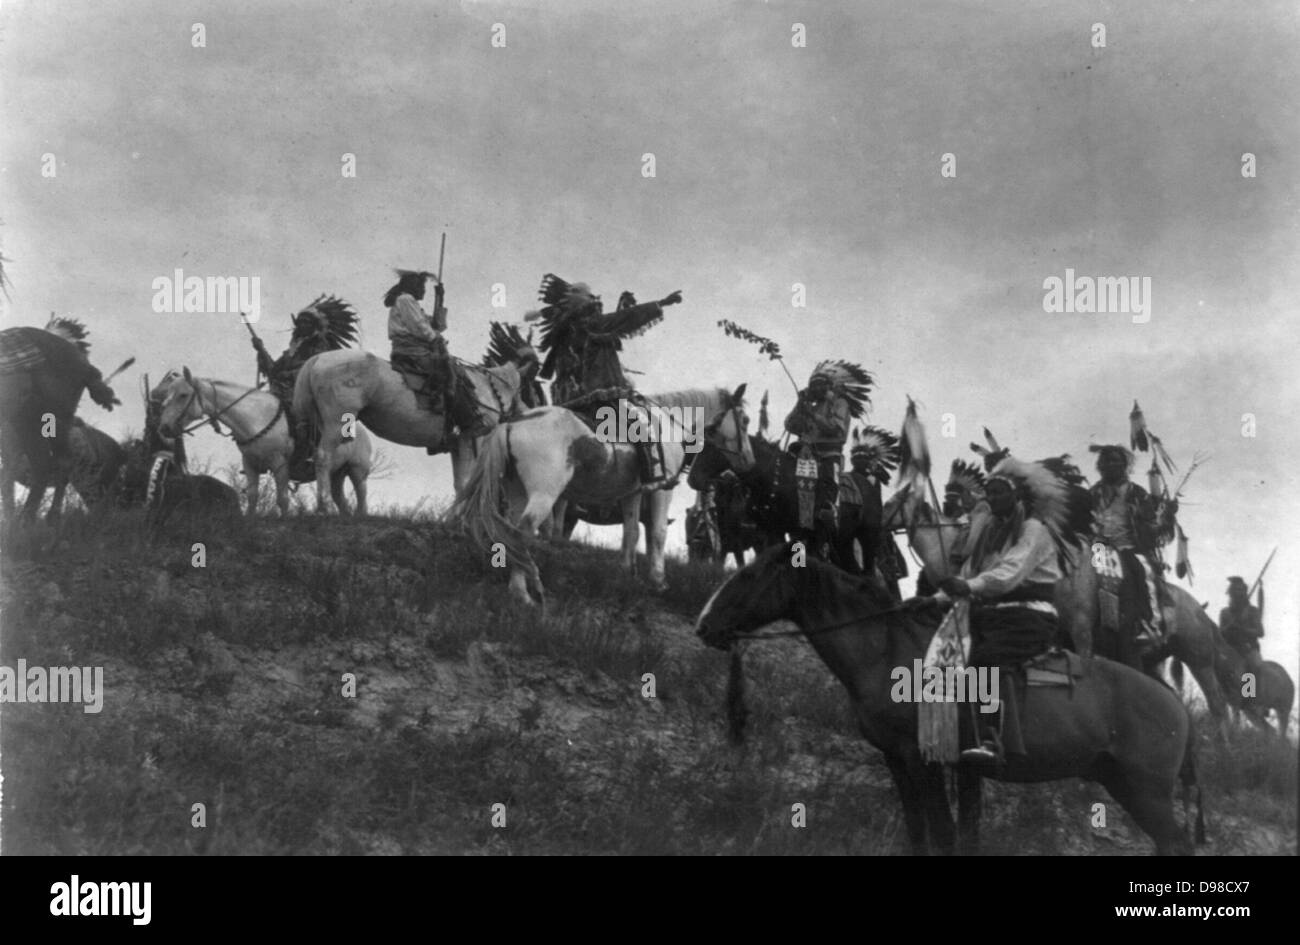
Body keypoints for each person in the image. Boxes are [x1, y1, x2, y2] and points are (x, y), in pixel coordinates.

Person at [926, 467, 1067, 765]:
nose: (992, 498)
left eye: (999, 492)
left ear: (1018, 496)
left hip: (1029, 616)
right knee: (942, 653)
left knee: (988, 660)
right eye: (989, 493)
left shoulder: (1033, 530)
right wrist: (932, 600)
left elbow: (1008, 574)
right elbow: (969, 573)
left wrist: (968, 586)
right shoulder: (989, 531)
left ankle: (995, 740)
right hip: (991, 613)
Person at [527, 274, 683, 484]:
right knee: (640, 429)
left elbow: (626, 315)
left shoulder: (563, 329)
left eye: (574, 292)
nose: (568, 296)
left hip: (566, 399)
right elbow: (629, 316)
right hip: (596, 396)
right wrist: (662, 303)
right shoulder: (594, 323)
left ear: (587, 298)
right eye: (569, 292)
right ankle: (652, 477)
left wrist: (539, 313)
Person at [253, 298, 358, 476]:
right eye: (300, 322)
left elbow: (314, 368)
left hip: (307, 390)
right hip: (284, 390)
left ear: (314, 325)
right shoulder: (292, 350)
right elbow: (274, 370)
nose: (301, 325)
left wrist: (289, 375)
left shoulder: (321, 345)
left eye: (306, 322)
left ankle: (309, 454)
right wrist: (261, 351)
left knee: (303, 417)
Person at [1088, 444, 1175, 648]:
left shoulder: (1137, 493)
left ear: (1125, 466)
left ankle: (1149, 623)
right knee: (1101, 576)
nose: (1111, 465)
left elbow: (1152, 525)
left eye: (1116, 461)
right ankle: (1106, 622)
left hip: (1129, 547)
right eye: (1107, 461)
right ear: (1100, 466)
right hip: (1099, 546)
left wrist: (1166, 515)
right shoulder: (1092, 493)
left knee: (1142, 571)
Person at [386, 269, 488, 440]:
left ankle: (440, 427)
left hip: (413, 349)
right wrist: (435, 340)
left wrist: (439, 299)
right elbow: (420, 327)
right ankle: (467, 422)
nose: (424, 291)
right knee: (451, 371)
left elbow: (436, 325)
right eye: (423, 287)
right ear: (414, 286)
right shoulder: (406, 299)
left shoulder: (410, 302)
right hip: (412, 350)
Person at [784, 367, 853, 557]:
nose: (815, 389)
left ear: (828, 386)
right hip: (807, 457)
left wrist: (813, 415)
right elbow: (790, 425)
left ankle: (831, 517)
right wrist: (800, 404)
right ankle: (799, 557)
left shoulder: (840, 404)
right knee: (798, 503)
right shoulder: (809, 407)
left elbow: (836, 430)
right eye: (812, 386)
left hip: (829, 455)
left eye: (819, 385)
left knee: (828, 494)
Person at [1219, 576, 1264, 672]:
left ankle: (1249, 687)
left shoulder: (1252, 611)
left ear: (1244, 593)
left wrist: (1242, 629)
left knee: (1255, 665)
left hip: (1248, 649)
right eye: (1233, 592)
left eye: (1239, 591)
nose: (1235, 595)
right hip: (1229, 649)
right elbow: (1219, 634)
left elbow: (1260, 632)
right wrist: (1228, 627)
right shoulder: (1224, 613)